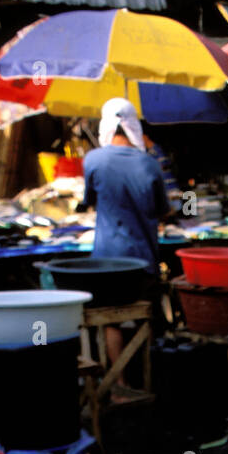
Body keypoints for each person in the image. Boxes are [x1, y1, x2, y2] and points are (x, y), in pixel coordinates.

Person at [82, 99, 169, 393]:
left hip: (105, 262)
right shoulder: (151, 164)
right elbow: (163, 210)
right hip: (143, 260)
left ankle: (119, 385)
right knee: (144, 315)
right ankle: (147, 382)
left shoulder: (93, 160)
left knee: (111, 322)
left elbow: (89, 201)